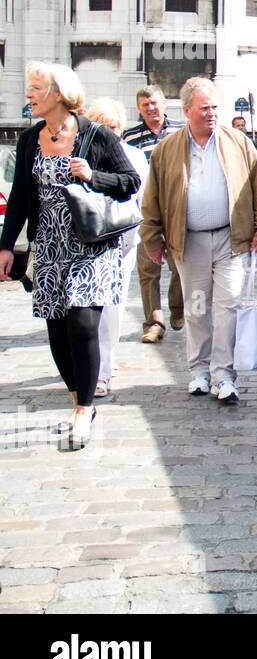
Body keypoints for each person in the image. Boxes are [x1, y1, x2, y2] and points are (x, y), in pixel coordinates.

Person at [0, 63, 140, 447]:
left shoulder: (94, 135)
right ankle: (78, 398)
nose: (29, 94)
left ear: (59, 93)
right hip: (48, 245)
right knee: (57, 330)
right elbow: (19, 200)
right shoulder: (30, 140)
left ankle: (83, 410)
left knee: (82, 323)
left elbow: (130, 182)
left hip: (91, 246)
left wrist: (95, 176)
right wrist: (8, 246)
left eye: (36, 88)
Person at [139, 77, 257, 404]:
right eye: (204, 108)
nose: (212, 113)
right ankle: (199, 371)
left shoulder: (238, 143)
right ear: (187, 110)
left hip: (231, 240)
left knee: (228, 306)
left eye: (215, 107)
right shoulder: (168, 149)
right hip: (190, 242)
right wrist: (152, 238)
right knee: (197, 308)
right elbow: (152, 198)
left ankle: (224, 374)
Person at [85, 99, 151, 399]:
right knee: (89, 306)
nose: (110, 133)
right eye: (104, 127)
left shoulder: (135, 157)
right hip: (87, 240)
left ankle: (105, 360)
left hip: (122, 239)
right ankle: (95, 365)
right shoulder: (82, 154)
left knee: (113, 303)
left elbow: (144, 200)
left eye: (115, 127)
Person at [123, 84, 185, 343]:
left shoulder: (180, 131)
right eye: (145, 105)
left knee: (180, 265)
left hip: (175, 210)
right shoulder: (130, 136)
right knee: (148, 269)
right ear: (139, 108)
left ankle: (178, 310)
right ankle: (153, 321)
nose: (151, 109)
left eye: (154, 103)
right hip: (144, 212)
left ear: (163, 103)